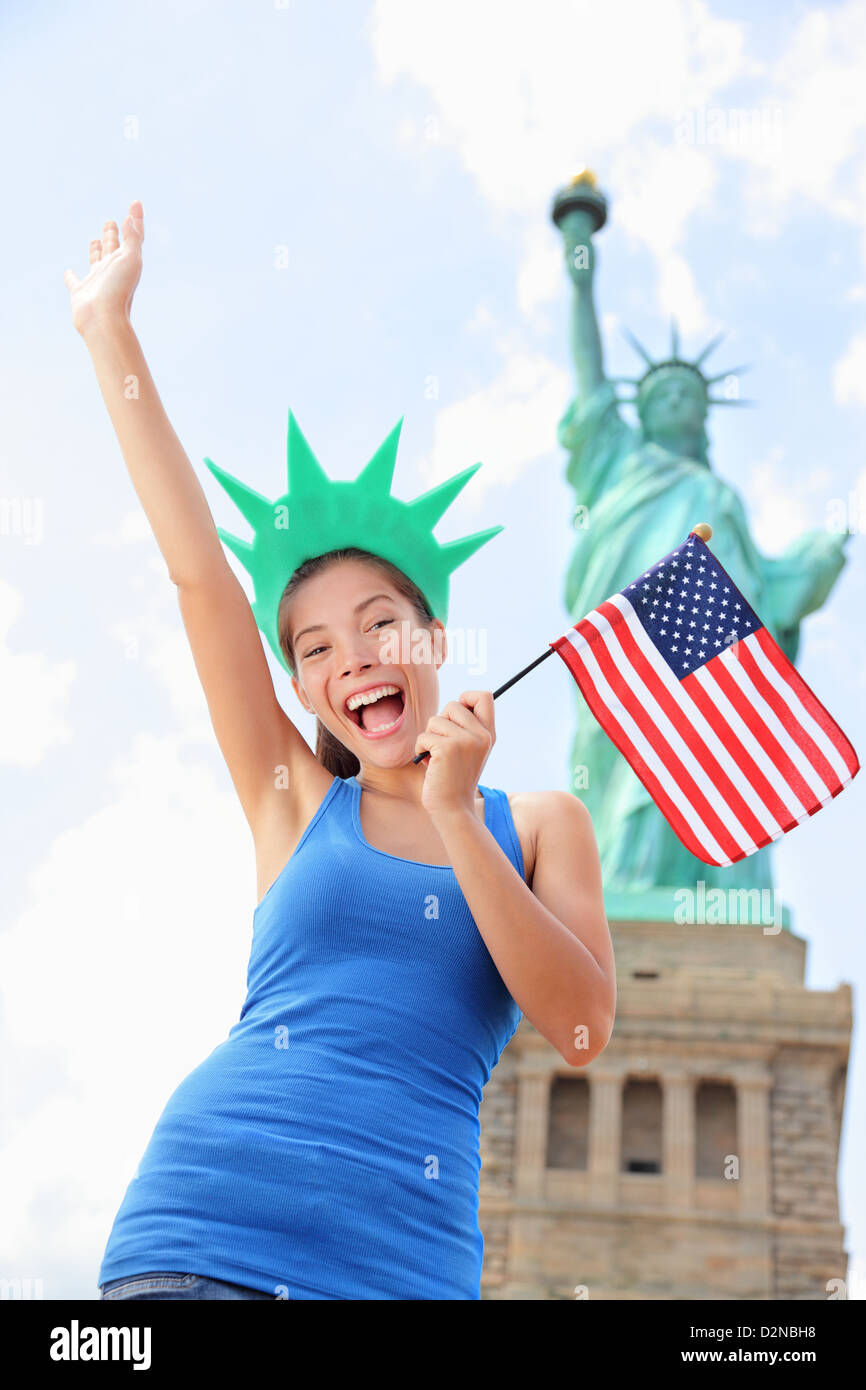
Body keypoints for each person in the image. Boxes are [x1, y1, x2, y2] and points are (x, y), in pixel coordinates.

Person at [64, 202, 616, 1300]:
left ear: (433, 639)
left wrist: (458, 814)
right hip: (198, 1237)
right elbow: (199, 578)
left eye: (377, 623)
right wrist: (107, 332)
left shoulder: (541, 823)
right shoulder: (291, 795)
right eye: (314, 647)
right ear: (306, 686)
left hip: (396, 1267)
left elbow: (582, 1024)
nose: (352, 656)